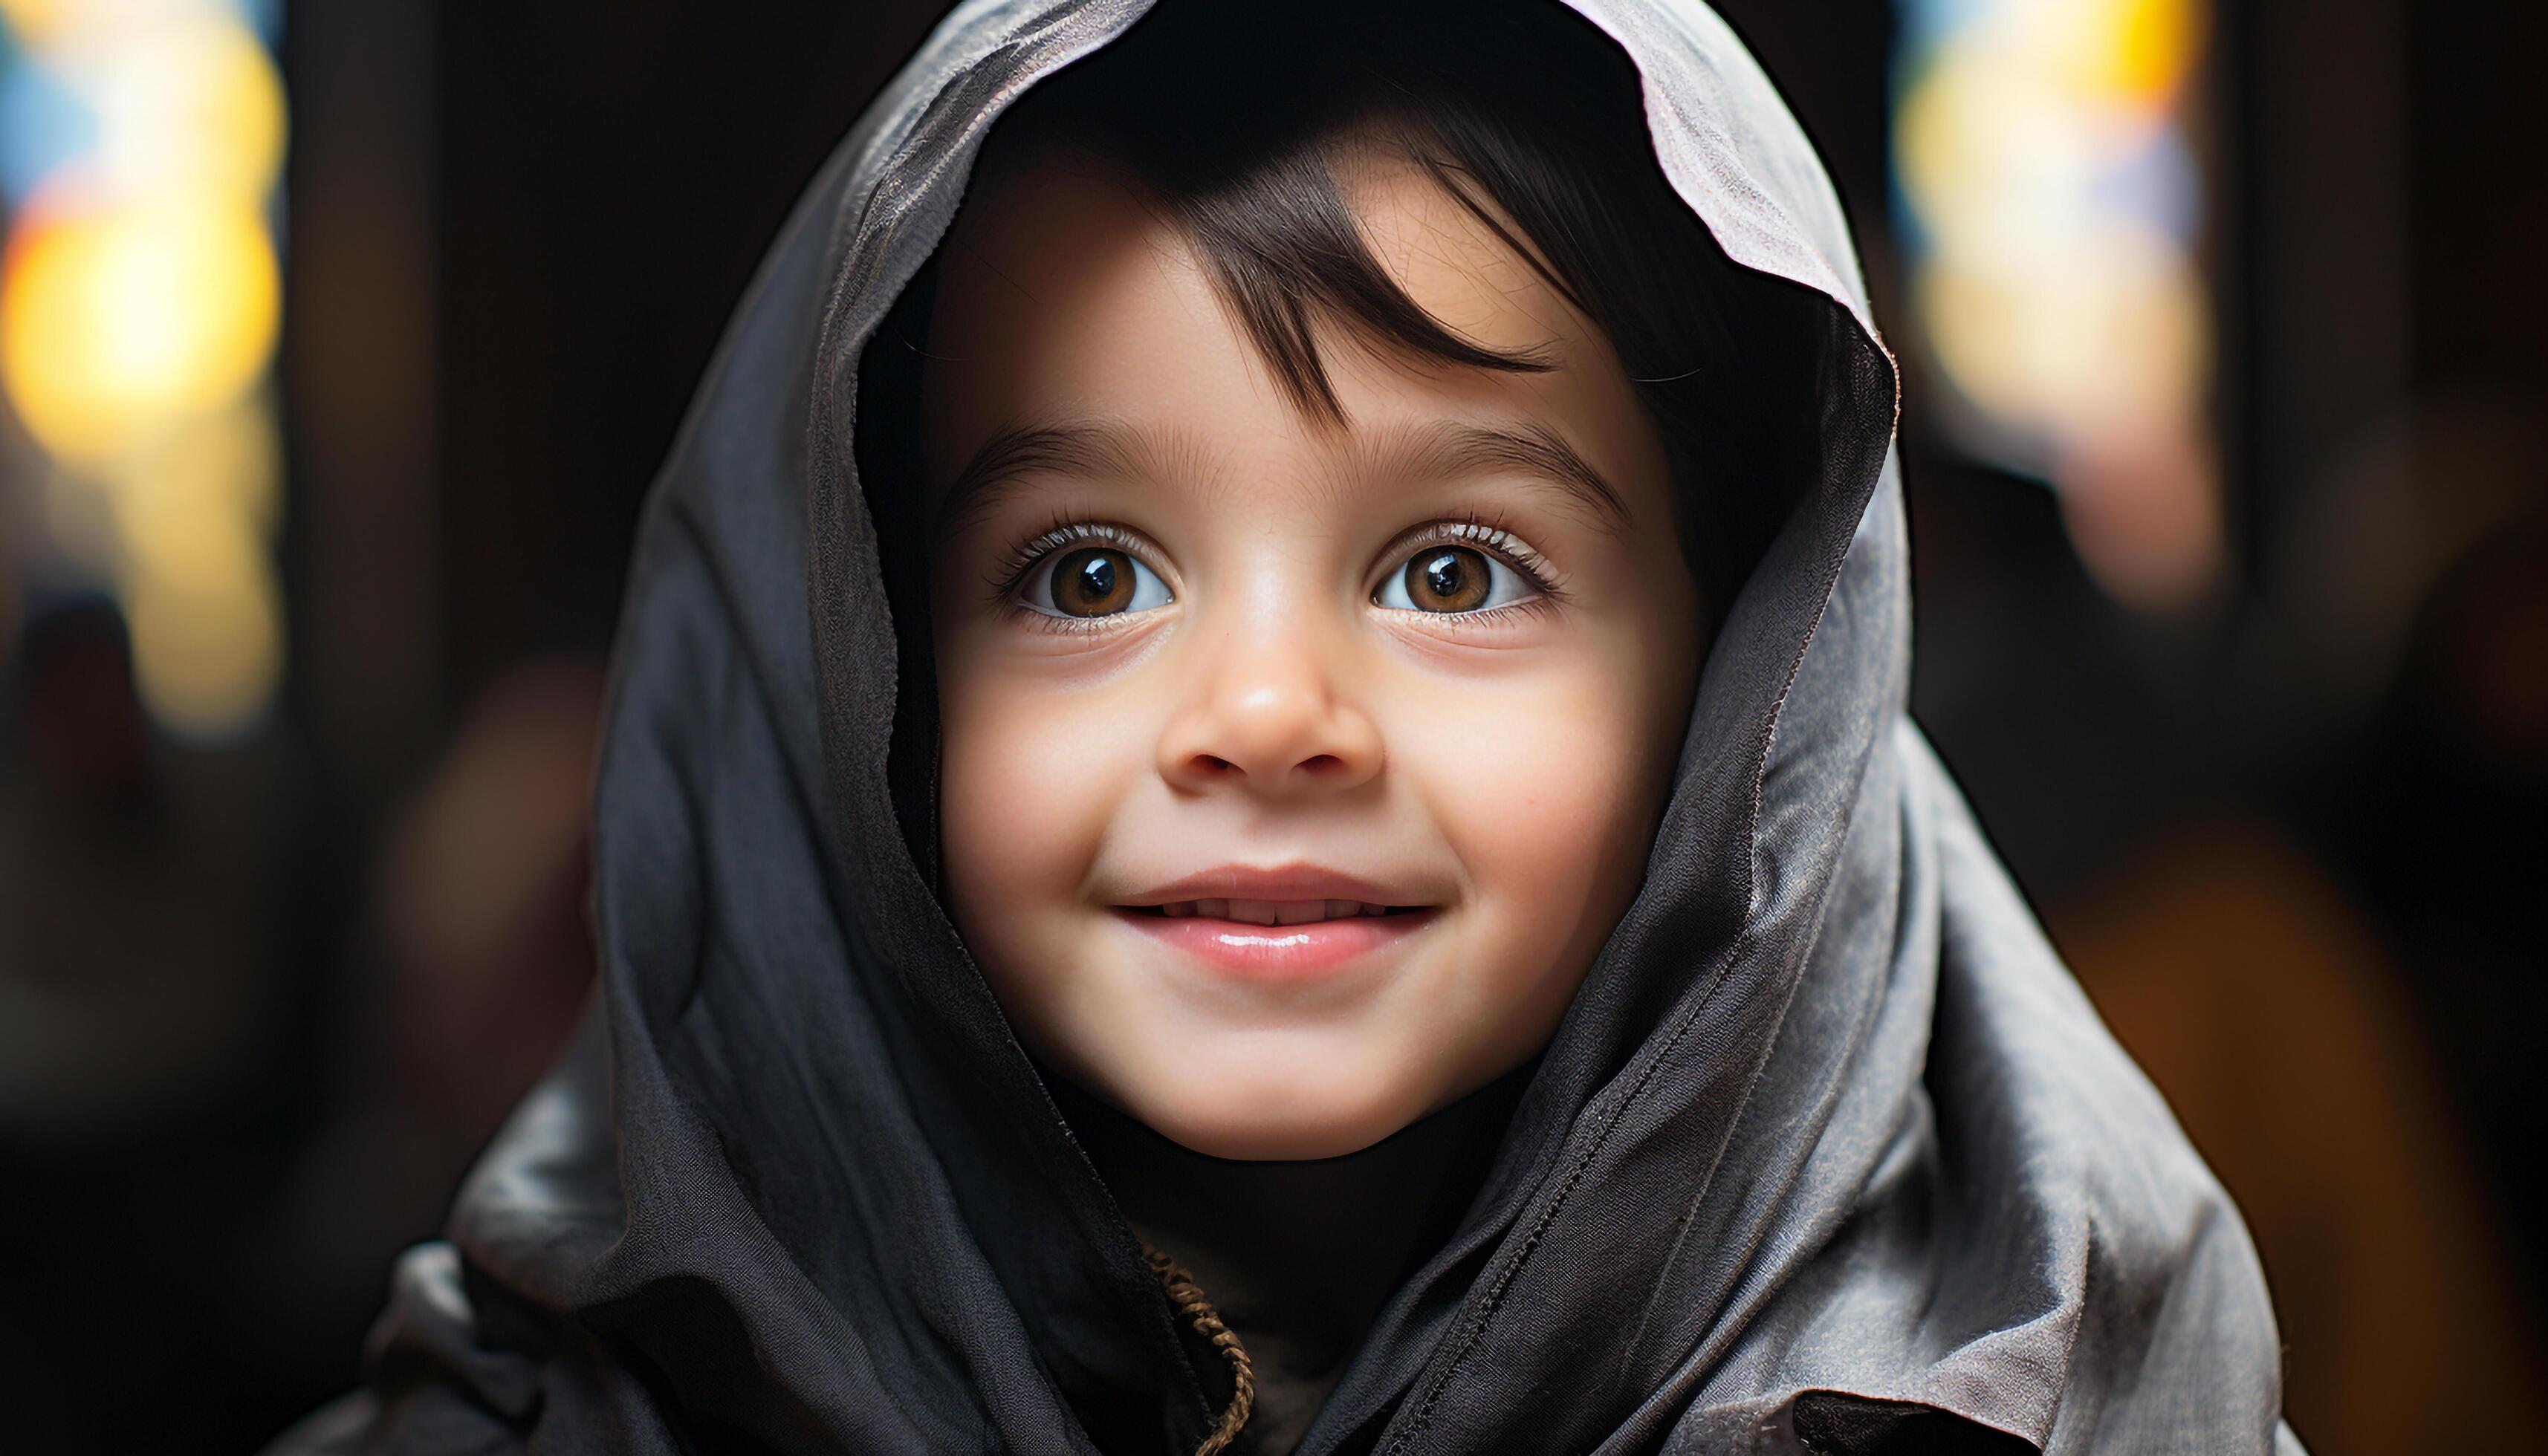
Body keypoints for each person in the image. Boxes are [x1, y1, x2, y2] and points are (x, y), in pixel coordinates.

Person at [268, 1, 2304, 1451]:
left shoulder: (2055, 1410)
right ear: (867, 678)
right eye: (1086, 577)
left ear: (1746, 676)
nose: (1262, 714)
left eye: (1454, 572)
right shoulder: (542, 1412)